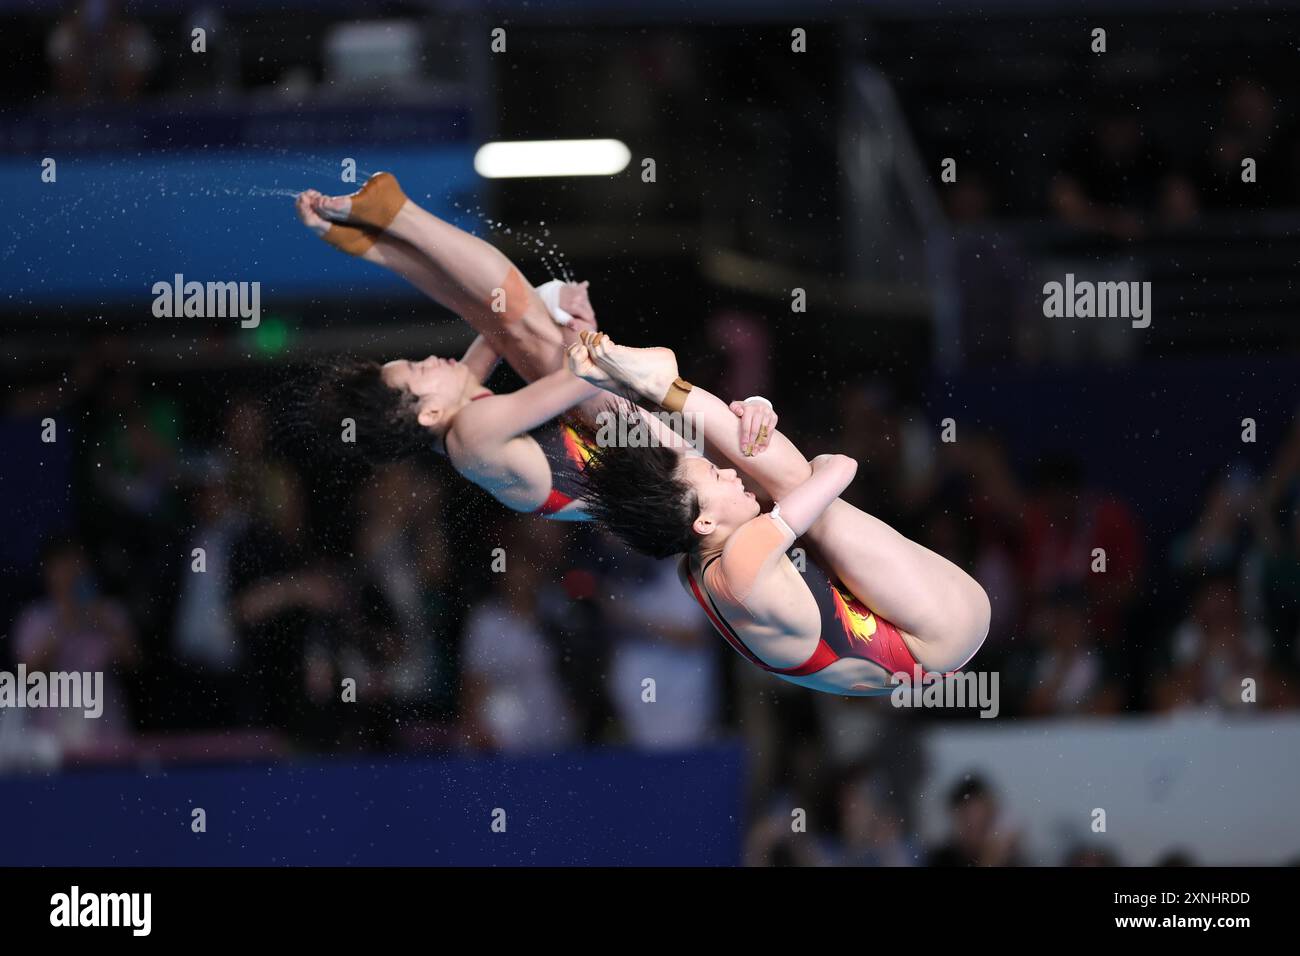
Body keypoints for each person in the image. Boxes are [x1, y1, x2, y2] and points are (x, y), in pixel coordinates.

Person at [295, 174, 778, 520]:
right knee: (529, 324)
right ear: (427, 412)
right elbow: (585, 373)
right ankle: (400, 215)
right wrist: (570, 324)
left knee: (509, 318)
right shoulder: (474, 432)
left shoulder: (456, 422)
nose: (430, 359)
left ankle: (374, 240)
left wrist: (563, 319)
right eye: (419, 371)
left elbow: (491, 322)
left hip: (629, 451)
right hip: (657, 469)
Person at [566, 332, 990, 695]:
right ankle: (667, 386)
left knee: (769, 481)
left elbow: (676, 470)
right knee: (798, 488)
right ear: (705, 522)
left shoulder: (696, 549)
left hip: (910, 642)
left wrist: (754, 411)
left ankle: (648, 387)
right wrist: (758, 420)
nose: (729, 474)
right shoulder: (740, 561)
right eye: (718, 475)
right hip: (941, 634)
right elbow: (840, 466)